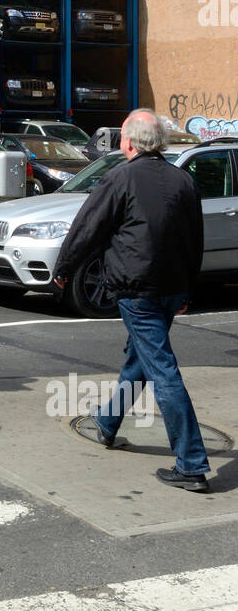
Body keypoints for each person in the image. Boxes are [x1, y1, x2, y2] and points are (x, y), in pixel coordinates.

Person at [53, 109, 210, 493]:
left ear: (130, 142)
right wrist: (188, 288)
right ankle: (107, 423)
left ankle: (191, 464)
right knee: (140, 358)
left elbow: (87, 227)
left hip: (137, 289)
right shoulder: (182, 180)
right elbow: (195, 240)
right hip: (170, 289)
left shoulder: (120, 177)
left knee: (162, 369)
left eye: (121, 135)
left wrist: (64, 268)